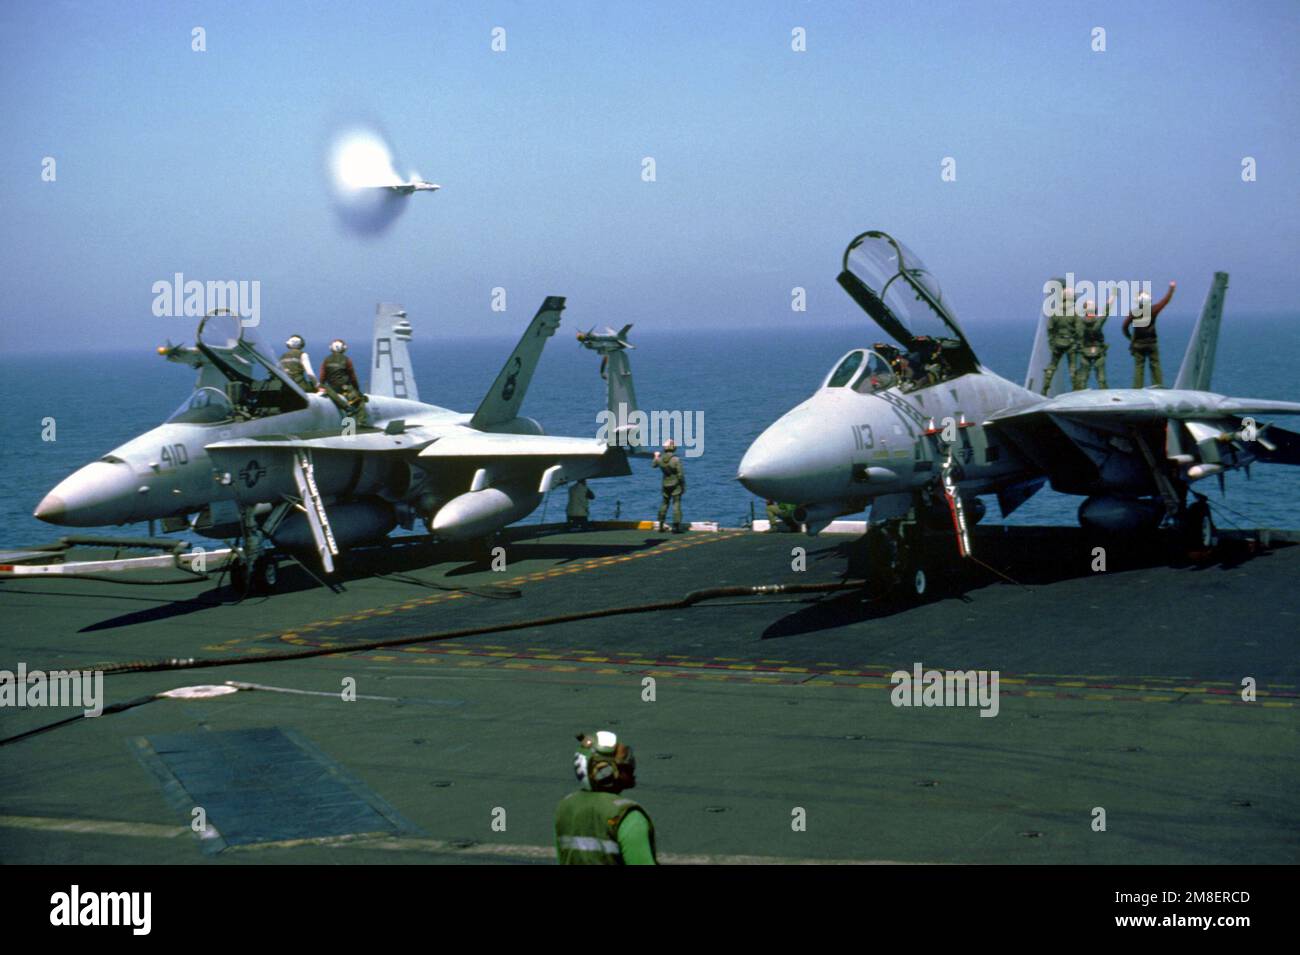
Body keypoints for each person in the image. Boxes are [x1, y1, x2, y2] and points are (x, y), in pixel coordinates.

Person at [555, 730, 656, 865]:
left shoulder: (565, 808)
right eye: (623, 760)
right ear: (606, 771)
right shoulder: (630, 817)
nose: (630, 764)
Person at [1122, 281, 1176, 388]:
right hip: (1151, 343)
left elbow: (1124, 327)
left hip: (1138, 344)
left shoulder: (1134, 313)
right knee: (1155, 364)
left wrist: (1130, 337)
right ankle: (1158, 386)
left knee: (1139, 366)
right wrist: (1171, 289)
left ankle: (1137, 389)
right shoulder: (1153, 310)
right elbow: (1165, 301)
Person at [318, 339, 370, 426]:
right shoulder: (346, 360)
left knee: (327, 389)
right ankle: (361, 421)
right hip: (345, 387)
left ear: (331, 348)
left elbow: (322, 376)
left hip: (332, 388)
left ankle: (346, 407)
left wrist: (321, 385)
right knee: (359, 401)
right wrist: (357, 390)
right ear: (344, 348)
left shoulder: (326, 360)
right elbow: (352, 377)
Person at [1042, 279, 1080, 394]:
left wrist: (1052, 343)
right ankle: (1076, 389)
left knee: (1052, 366)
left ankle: (1045, 387)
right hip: (1070, 343)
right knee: (1072, 368)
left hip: (1057, 343)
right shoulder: (1075, 312)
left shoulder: (1055, 311)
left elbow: (1050, 328)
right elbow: (1079, 330)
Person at [1073, 294, 1115, 390]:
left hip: (1085, 352)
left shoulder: (1080, 321)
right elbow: (1106, 311)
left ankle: (1079, 397)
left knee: (1083, 379)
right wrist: (1112, 297)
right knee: (1101, 379)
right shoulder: (1098, 321)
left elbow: (1075, 314)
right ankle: (1105, 396)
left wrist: (1073, 301)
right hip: (1099, 352)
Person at [652, 439, 685, 533]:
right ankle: (676, 526)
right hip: (675, 485)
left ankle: (661, 525)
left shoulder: (660, 459)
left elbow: (654, 465)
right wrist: (683, 486)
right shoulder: (676, 459)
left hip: (665, 484)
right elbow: (680, 475)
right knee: (676, 504)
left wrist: (656, 456)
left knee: (664, 504)